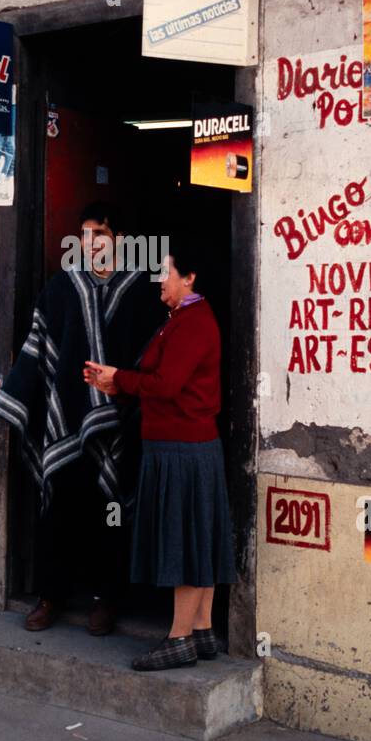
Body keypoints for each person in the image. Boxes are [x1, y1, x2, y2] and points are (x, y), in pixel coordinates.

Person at [0, 201, 163, 634]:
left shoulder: (139, 291)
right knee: (59, 510)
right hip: (65, 421)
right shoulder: (61, 288)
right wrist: (16, 399)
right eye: (84, 235)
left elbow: (153, 354)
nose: (91, 243)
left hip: (119, 423)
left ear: (118, 239)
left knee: (112, 512)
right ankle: (51, 596)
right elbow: (39, 345)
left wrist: (129, 395)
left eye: (100, 234)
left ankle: (107, 599)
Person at [84, 241, 237, 671]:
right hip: (184, 446)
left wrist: (121, 379)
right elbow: (158, 379)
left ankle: (179, 637)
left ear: (188, 278)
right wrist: (118, 383)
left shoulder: (192, 322)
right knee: (198, 537)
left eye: (165, 274)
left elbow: (167, 384)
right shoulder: (180, 319)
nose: (158, 281)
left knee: (185, 542)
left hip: (183, 450)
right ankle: (203, 630)